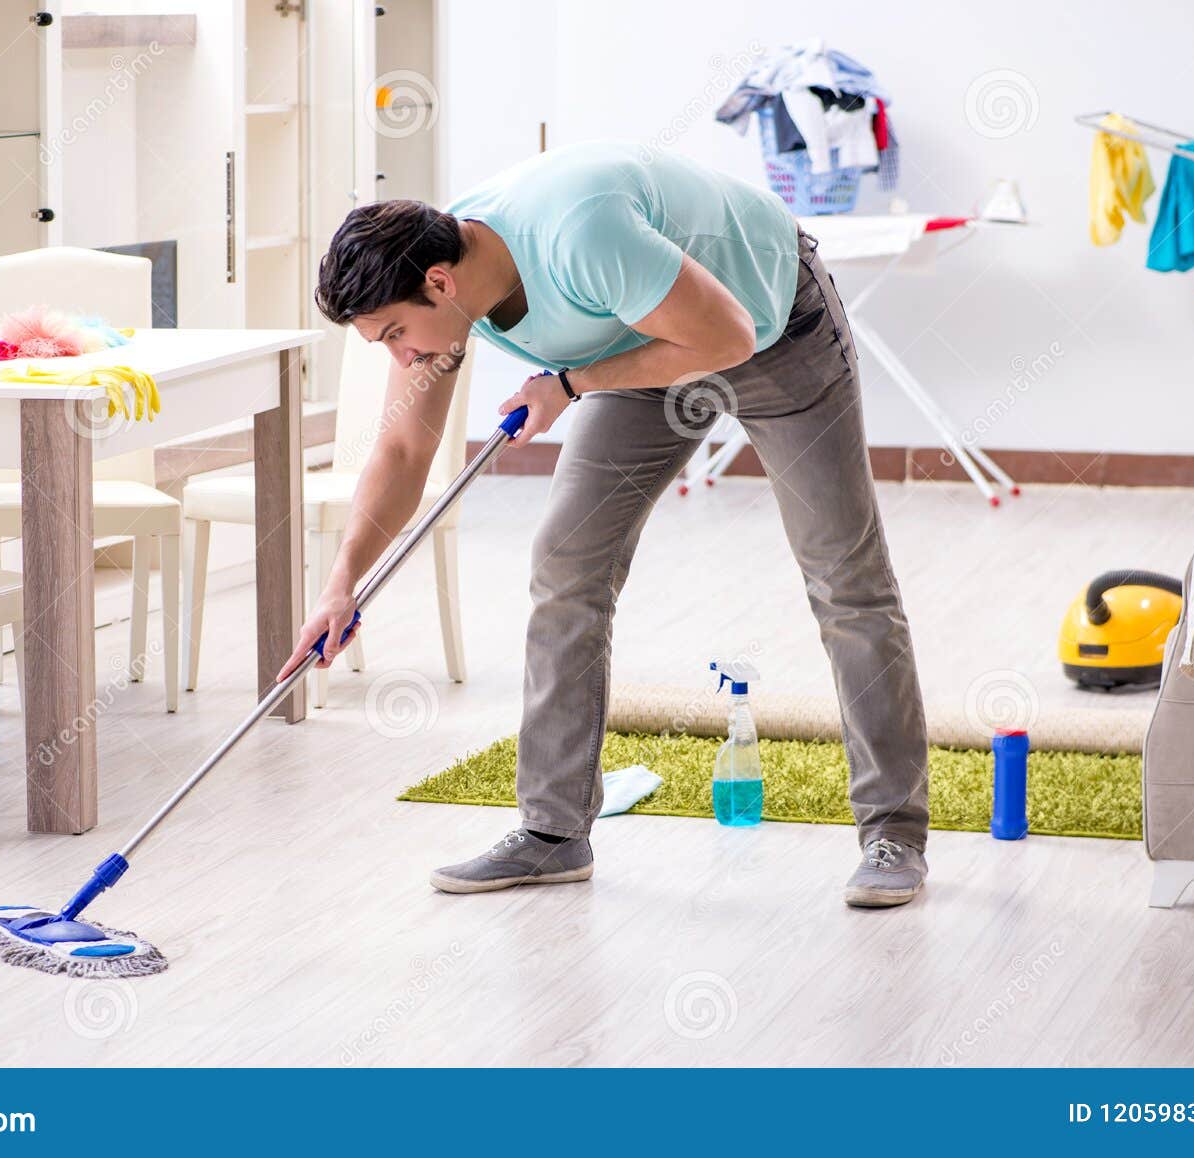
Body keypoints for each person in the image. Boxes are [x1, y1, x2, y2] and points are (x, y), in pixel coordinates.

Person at [284, 140, 930, 907]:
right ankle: (552, 833)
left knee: (842, 573)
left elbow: (727, 339)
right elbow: (402, 446)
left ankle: (894, 830)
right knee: (566, 563)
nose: (402, 353)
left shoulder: (578, 234)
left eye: (395, 334)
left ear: (439, 281)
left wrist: (570, 382)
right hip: (636, 345)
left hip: (769, 321)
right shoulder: (443, 301)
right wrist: (341, 582)